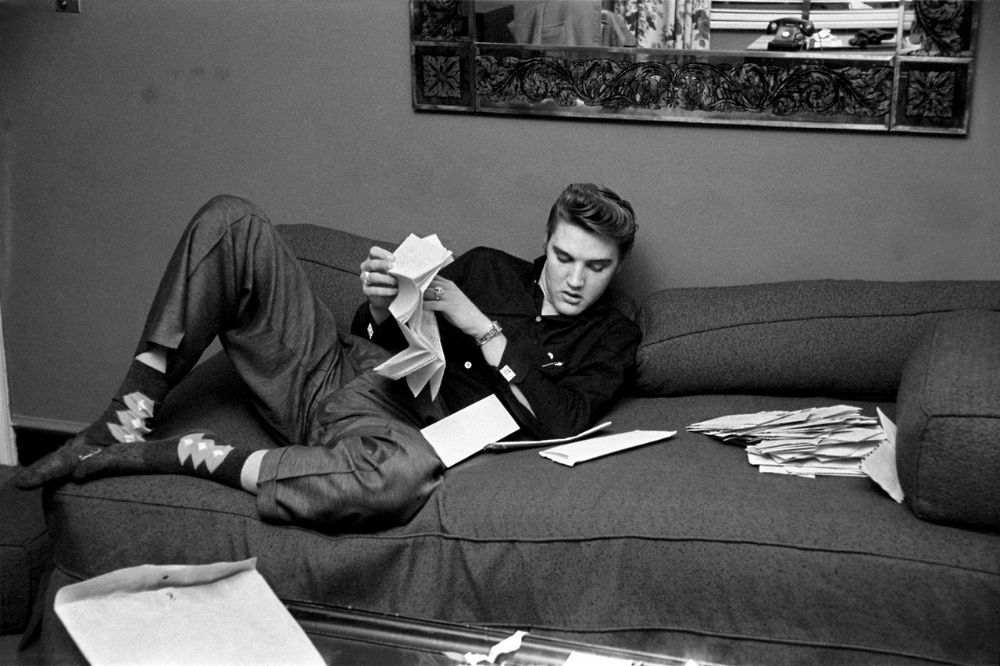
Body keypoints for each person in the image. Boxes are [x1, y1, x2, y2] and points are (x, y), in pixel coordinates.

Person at [15, 184, 641, 531]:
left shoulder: (613, 335)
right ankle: (126, 418)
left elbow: (559, 419)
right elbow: (392, 340)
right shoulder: (484, 267)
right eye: (564, 257)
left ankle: (186, 454)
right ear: (546, 242)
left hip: (394, 433)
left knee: (397, 478)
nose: (576, 279)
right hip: (340, 371)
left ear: (616, 266)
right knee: (233, 220)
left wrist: (479, 327)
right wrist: (381, 304)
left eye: (596, 265)